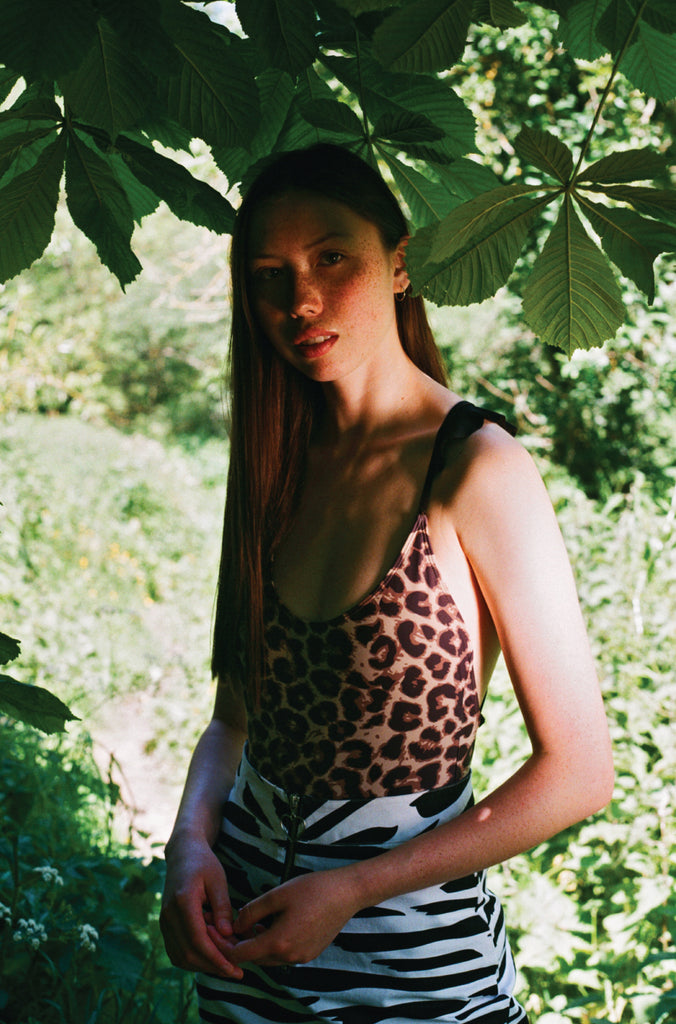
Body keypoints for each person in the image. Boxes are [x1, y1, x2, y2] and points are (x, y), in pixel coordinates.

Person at [160, 143, 614, 1024]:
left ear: (399, 263)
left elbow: (579, 771)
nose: (301, 300)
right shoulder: (275, 461)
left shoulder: (476, 467)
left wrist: (352, 889)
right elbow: (235, 719)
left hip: (411, 963)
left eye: (332, 258)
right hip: (243, 951)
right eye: (270, 275)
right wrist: (189, 845)